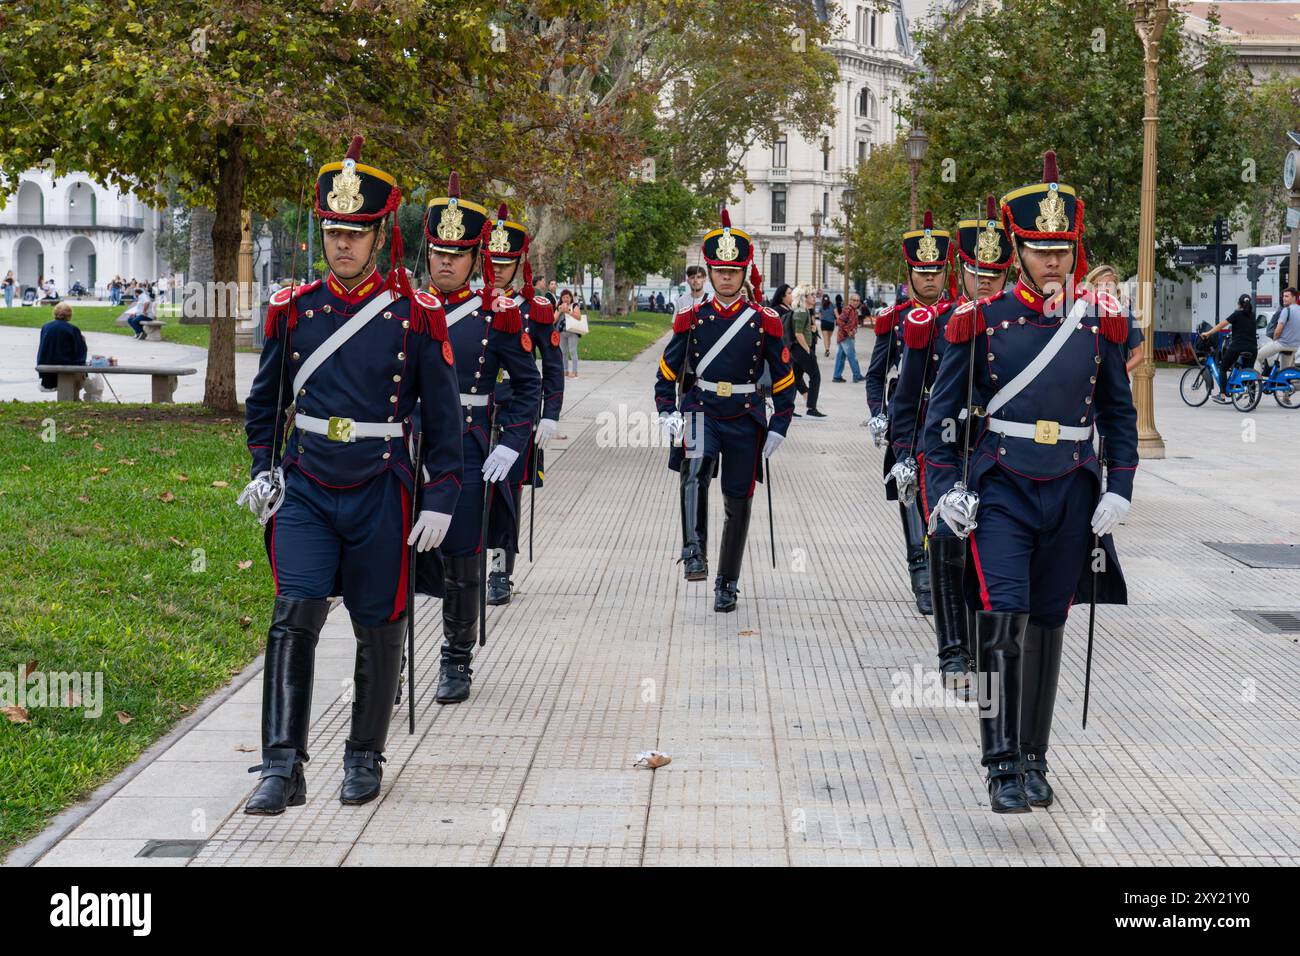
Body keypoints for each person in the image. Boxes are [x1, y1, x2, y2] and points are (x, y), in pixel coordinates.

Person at [239, 137, 463, 814]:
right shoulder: (292, 308)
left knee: (377, 621)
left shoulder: (415, 316)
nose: (343, 245)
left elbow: (445, 420)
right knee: (293, 613)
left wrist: (443, 494)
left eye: (356, 233)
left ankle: (364, 754)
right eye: (335, 232)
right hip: (307, 482)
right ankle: (281, 765)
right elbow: (265, 402)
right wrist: (263, 468)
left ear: (378, 236)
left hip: (380, 485)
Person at [923, 151, 1138, 814]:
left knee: (1048, 621)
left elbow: (1118, 412)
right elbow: (940, 425)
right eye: (1041, 250)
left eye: (1063, 250)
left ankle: (1035, 758)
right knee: (1002, 618)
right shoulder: (979, 322)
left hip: (1071, 486)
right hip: (1002, 487)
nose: (1053, 263)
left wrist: (1119, 486)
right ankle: (998, 762)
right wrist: (944, 496)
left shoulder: (1098, 322)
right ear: (1018, 249)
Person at [416, 177, 541, 704]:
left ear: (476, 258)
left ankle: (455, 658)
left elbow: (529, 383)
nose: (445, 262)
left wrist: (512, 443)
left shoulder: (498, 313)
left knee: (461, 557)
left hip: (468, 444)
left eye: (458, 253)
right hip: (409, 446)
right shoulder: (405, 308)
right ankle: (389, 656)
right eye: (439, 252)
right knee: (395, 557)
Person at [890, 197, 1012, 686]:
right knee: (945, 536)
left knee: (986, 551)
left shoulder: (1018, 325)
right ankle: (953, 651)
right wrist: (903, 454)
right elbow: (908, 397)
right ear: (961, 271)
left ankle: (983, 643)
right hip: (942, 450)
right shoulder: (934, 324)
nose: (984, 282)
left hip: (996, 452)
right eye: (975, 272)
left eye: (994, 274)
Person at [655, 207, 795, 612]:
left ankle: (727, 582)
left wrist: (780, 425)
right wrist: (668, 411)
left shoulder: (763, 320)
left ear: (743, 271)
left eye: (733, 270)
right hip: (700, 408)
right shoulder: (692, 318)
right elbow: (667, 371)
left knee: (739, 502)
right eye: (719, 270)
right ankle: (694, 550)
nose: (726, 276)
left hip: (746, 415)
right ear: (710, 272)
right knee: (694, 467)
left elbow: (783, 376)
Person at [867, 210, 956, 616]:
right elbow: (876, 374)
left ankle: (943, 573)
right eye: (922, 271)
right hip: (909, 420)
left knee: (940, 497)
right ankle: (920, 576)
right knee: (911, 497)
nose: (930, 279)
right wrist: (877, 413)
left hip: (950, 422)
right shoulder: (896, 319)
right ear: (910, 273)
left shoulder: (961, 314)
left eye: (936, 270)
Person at [484, 204, 564, 606]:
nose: (497, 269)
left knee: (507, 492)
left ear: (519, 263)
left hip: (516, 413)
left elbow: (552, 367)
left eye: (505, 262)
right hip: (474, 413)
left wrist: (549, 415)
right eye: (491, 261)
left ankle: (500, 570)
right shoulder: (470, 304)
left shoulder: (537, 308)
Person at [36, 301, 104, 401]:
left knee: (78, 375)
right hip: (66, 368)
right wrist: (83, 341)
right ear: (69, 315)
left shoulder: (45, 327)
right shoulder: (72, 329)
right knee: (96, 380)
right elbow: (80, 353)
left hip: (47, 372)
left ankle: (75, 399)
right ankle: (93, 402)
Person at [1086, 265, 1142, 374]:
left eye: (1108, 284)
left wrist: (1119, 374)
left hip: (1115, 388)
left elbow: (1139, 355)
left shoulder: (1126, 315)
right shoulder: (1083, 314)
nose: (1103, 289)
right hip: (1086, 385)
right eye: (1098, 284)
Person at [1200, 294, 1258, 401]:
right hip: (1253, 348)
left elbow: (1222, 325)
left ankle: (1222, 395)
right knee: (1249, 373)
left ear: (1239, 304)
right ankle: (1252, 399)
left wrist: (1208, 333)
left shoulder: (1237, 314)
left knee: (1223, 368)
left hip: (1238, 347)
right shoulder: (1253, 315)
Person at [790, 285, 825, 417]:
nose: (815, 297)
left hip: (799, 349)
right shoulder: (801, 312)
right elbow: (798, 334)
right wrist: (808, 350)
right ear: (805, 297)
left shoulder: (804, 311)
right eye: (812, 295)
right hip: (801, 349)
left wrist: (813, 330)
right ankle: (811, 408)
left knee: (795, 378)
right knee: (815, 376)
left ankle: (789, 407)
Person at [1256, 287, 1300, 375]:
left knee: (1256, 357)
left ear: (1294, 297)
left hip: (1282, 344)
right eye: (1283, 296)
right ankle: (1286, 386)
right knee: (1285, 372)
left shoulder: (1286, 310)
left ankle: (1256, 381)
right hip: (1295, 346)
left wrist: (1275, 340)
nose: (1284, 298)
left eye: (1287, 296)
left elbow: (1278, 329)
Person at [832, 292, 866, 383]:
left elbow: (854, 323)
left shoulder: (854, 310)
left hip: (843, 337)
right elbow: (840, 321)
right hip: (845, 337)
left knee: (841, 357)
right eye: (854, 300)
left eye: (858, 301)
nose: (856, 302)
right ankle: (857, 375)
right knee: (852, 356)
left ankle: (837, 376)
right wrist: (849, 331)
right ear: (850, 301)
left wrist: (854, 330)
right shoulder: (848, 309)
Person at [557, 289, 582, 377]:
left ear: (571, 298)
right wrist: (560, 311)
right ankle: (565, 370)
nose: (565, 299)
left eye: (567, 297)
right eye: (563, 297)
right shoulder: (559, 306)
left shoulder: (574, 305)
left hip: (572, 332)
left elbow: (578, 317)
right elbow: (554, 319)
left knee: (572, 351)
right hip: (562, 332)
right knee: (563, 352)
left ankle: (574, 372)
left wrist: (569, 311)